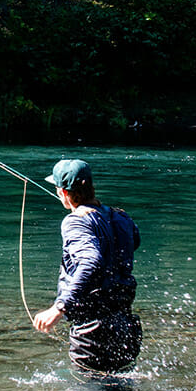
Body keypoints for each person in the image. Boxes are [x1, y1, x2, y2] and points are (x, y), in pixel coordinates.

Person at [33, 159, 143, 373]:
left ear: (64, 193)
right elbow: (134, 240)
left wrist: (59, 307)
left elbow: (91, 262)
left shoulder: (75, 222)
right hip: (125, 326)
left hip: (93, 333)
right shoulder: (122, 217)